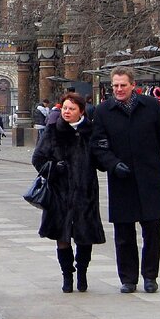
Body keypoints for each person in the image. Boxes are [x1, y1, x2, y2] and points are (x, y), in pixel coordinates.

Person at [91, 67, 160, 294]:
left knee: (152, 229)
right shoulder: (104, 111)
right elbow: (98, 145)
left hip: (150, 177)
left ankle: (150, 276)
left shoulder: (151, 107)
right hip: (122, 180)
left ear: (133, 85)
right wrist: (113, 164)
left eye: (123, 85)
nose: (119, 89)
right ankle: (128, 278)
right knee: (124, 233)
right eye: (115, 85)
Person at [32, 93, 105, 293]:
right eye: (64, 108)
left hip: (85, 191)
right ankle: (67, 276)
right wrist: (54, 168)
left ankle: (82, 272)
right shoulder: (53, 131)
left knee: (84, 235)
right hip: (59, 192)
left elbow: (101, 159)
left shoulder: (90, 131)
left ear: (81, 111)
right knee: (62, 236)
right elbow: (38, 158)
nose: (67, 112)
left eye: (71, 109)